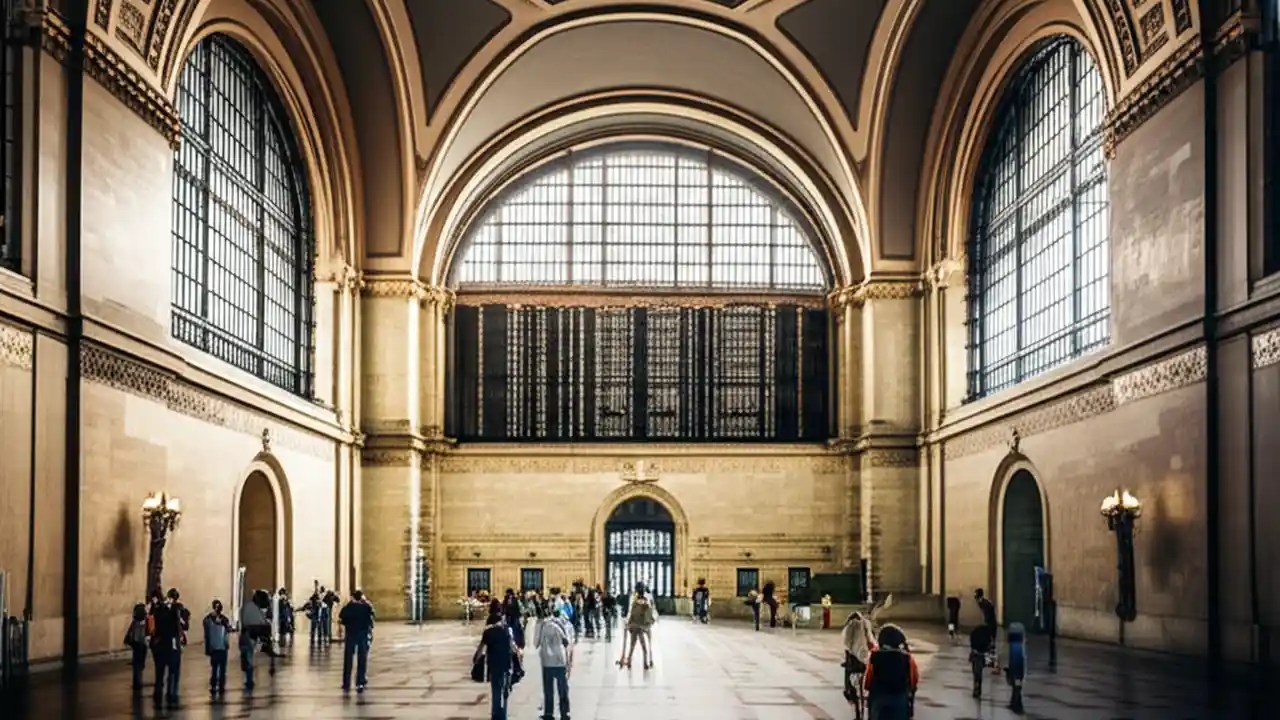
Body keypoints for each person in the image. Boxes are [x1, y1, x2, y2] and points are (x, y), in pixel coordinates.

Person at [863, 624, 919, 720]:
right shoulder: (907, 658)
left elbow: (867, 682)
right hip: (899, 699)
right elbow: (914, 680)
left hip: (878, 700)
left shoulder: (873, 656)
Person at [475, 610, 520, 720]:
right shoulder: (506, 630)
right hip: (506, 664)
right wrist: (518, 655)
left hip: (494, 665)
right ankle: (503, 714)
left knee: (496, 690)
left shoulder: (488, 632)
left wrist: (476, 659)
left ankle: (496, 715)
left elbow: (481, 648)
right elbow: (513, 646)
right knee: (504, 690)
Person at [536, 607, 572, 720]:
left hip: (547, 661)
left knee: (548, 689)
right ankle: (564, 712)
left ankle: (548, 713)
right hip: (560, 660)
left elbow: (536, 643)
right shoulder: (562, 625)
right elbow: (566, 642)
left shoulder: (542, 625)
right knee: (563, 689)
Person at [150, 590, 184, 704]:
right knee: (173, 672)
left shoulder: (158, 610)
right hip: (171, 646)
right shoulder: (176, 611)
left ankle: (158, 694)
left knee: (159, 673)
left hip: (160, 646)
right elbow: (179, 627)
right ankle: (171, 694)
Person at [339, 589, 376, 692]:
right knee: (362, 658)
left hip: (351, 634)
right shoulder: (366, 607)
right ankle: (360, 681)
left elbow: (341, 616)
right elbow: (372, 615)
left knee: (348, 659)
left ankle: (346, 682)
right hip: (362, 635)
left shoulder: (349, 606)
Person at [842, 611, 876, 719]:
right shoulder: (866, 624)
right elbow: (871, 641)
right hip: (865, 658)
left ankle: (849, 692)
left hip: (854, 659)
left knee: (848, 678)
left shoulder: (851, 625)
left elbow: (847, 643)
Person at [617, 587, 656, 669]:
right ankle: (645, 663)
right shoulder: (646, 606)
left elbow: (631, 616)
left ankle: (629, 661)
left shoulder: (635, 604)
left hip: (634, 627)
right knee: (644, 648)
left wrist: (628, 624)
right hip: (641, 628)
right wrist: (650, 622)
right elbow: (649, 618)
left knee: (632, 646)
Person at [202, 599, 233, 695]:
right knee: (222, 668)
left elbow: (206, 633)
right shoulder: (224, 619)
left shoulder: (208, 619)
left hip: (214, 647)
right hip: (222, 647)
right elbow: (228, 629)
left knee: (215, 668)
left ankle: (214, 685)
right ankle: (221, 686)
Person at [123, 603, 150, 693]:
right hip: (142, 644)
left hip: (136, 644)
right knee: (140, 664)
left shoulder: (135, 621)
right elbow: (148, 633)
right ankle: (138, 682)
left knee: (136, 664)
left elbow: (130, 632)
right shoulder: (145, 621)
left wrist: (127, 640)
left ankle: (136, 682)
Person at [975, 588, 999, 669]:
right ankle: (990, 661)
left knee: (990, 643)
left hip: (991, 625)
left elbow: (988, 616)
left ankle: (993, 662)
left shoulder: (985, 604)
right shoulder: (983, 603)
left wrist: (986, 625)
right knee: (989, 643)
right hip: (990, 624)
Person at [1006, 622, 1027, 713]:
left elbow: (1009, 660)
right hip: (1019, 671)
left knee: (1016, 687)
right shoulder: (1021, 647)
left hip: (1015, 670)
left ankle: (1015, 704)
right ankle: (1017, 703)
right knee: (1017, 687)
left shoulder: (1012, 647)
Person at [968, 624, 993, 699]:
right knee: (978, 672)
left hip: (977, 652)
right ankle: (978, 686)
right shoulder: (987, 633)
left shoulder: (975, 634)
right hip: (981, 651)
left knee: (976, 672)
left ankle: (976, 686)